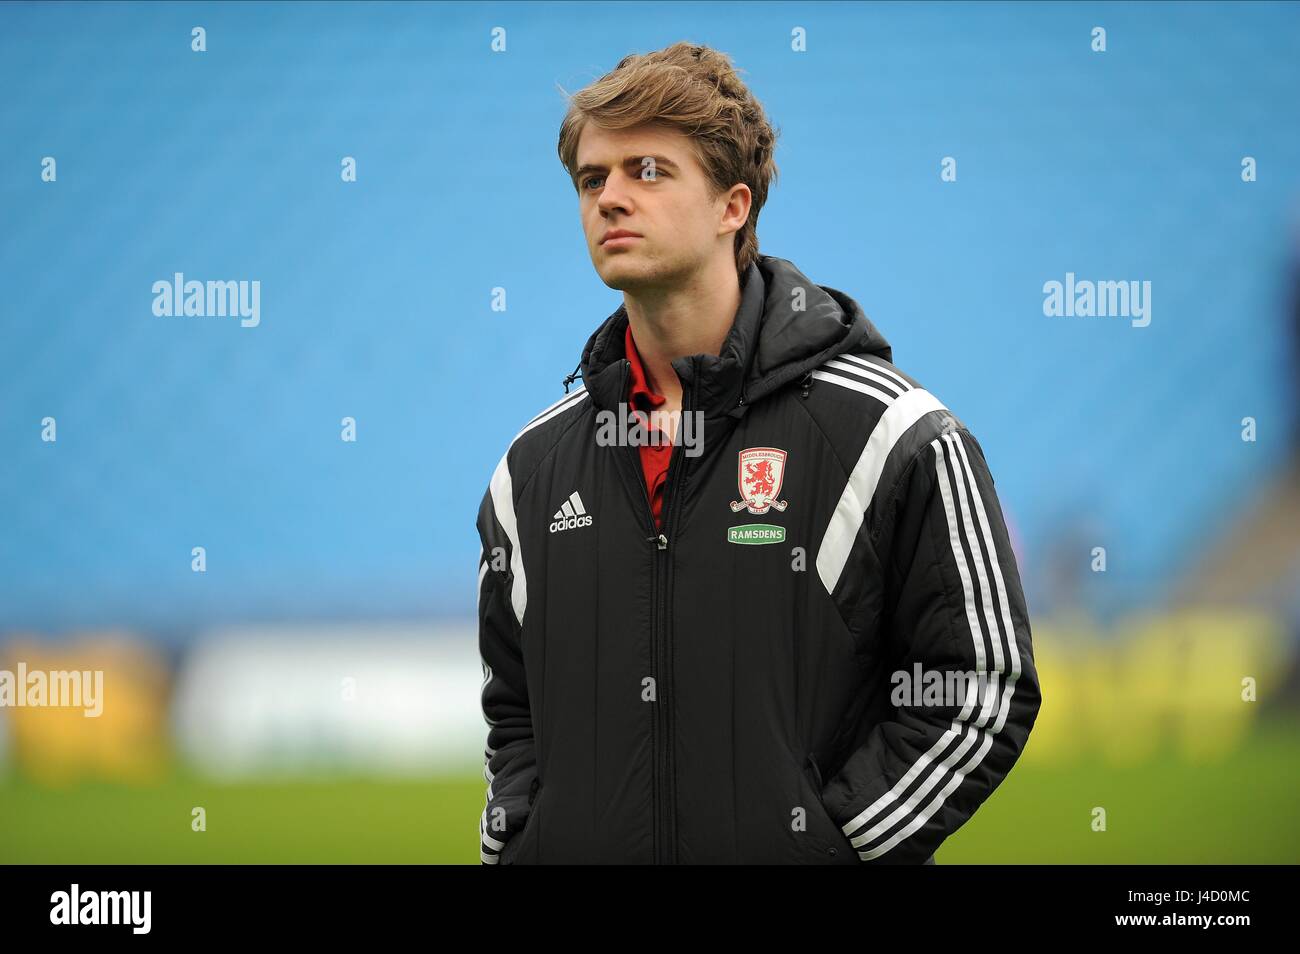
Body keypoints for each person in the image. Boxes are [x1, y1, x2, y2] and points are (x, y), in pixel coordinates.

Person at [476, 41, 1041, 864]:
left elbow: (983, 684)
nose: (610, 199)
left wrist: (835, 848)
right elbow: (513, 711)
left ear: (732, 207)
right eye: (593, 179)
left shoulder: (892, 436)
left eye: (649, 171)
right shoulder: (530, 469)